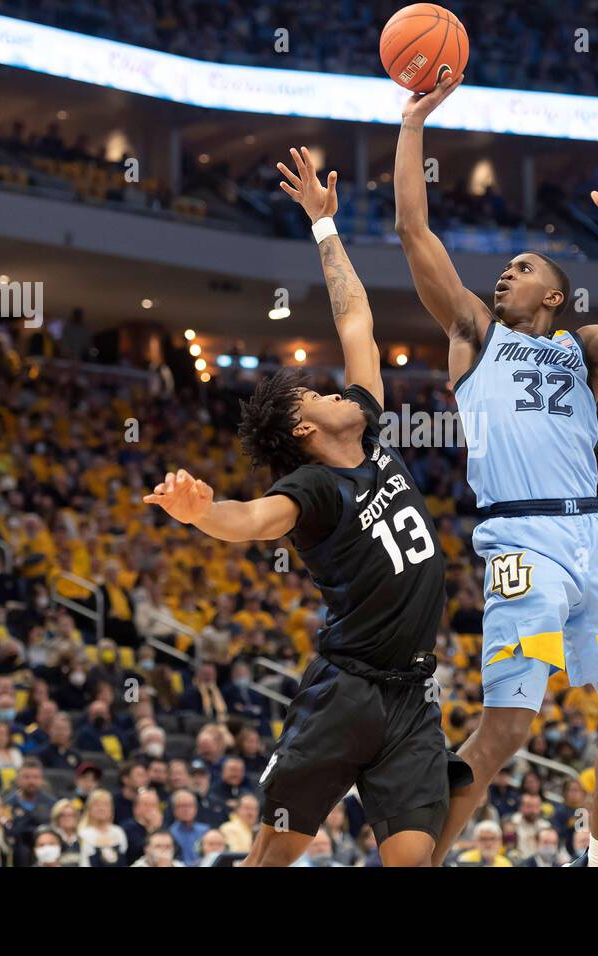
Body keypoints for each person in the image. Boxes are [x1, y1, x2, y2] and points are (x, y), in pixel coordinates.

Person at [145, 147, 454, 867]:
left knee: (413, 859)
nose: (342, 390)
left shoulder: (369, 428)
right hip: (345, 694)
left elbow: (356, 321)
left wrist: (324, 228)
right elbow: (250, 523)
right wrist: (199, 512)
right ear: (304, 430)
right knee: (270, 860)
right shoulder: (314, 490)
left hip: (411, 695)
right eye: (320, 394)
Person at [394, 75, 598, 867]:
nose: (503, 275)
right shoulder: (474, 332)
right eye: (504, 269)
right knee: (505, 731)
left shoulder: (582, 347)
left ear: (555, 292)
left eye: (521, 267)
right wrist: (413, 125)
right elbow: (416, 230)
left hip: (595, 539)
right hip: (521, 541)